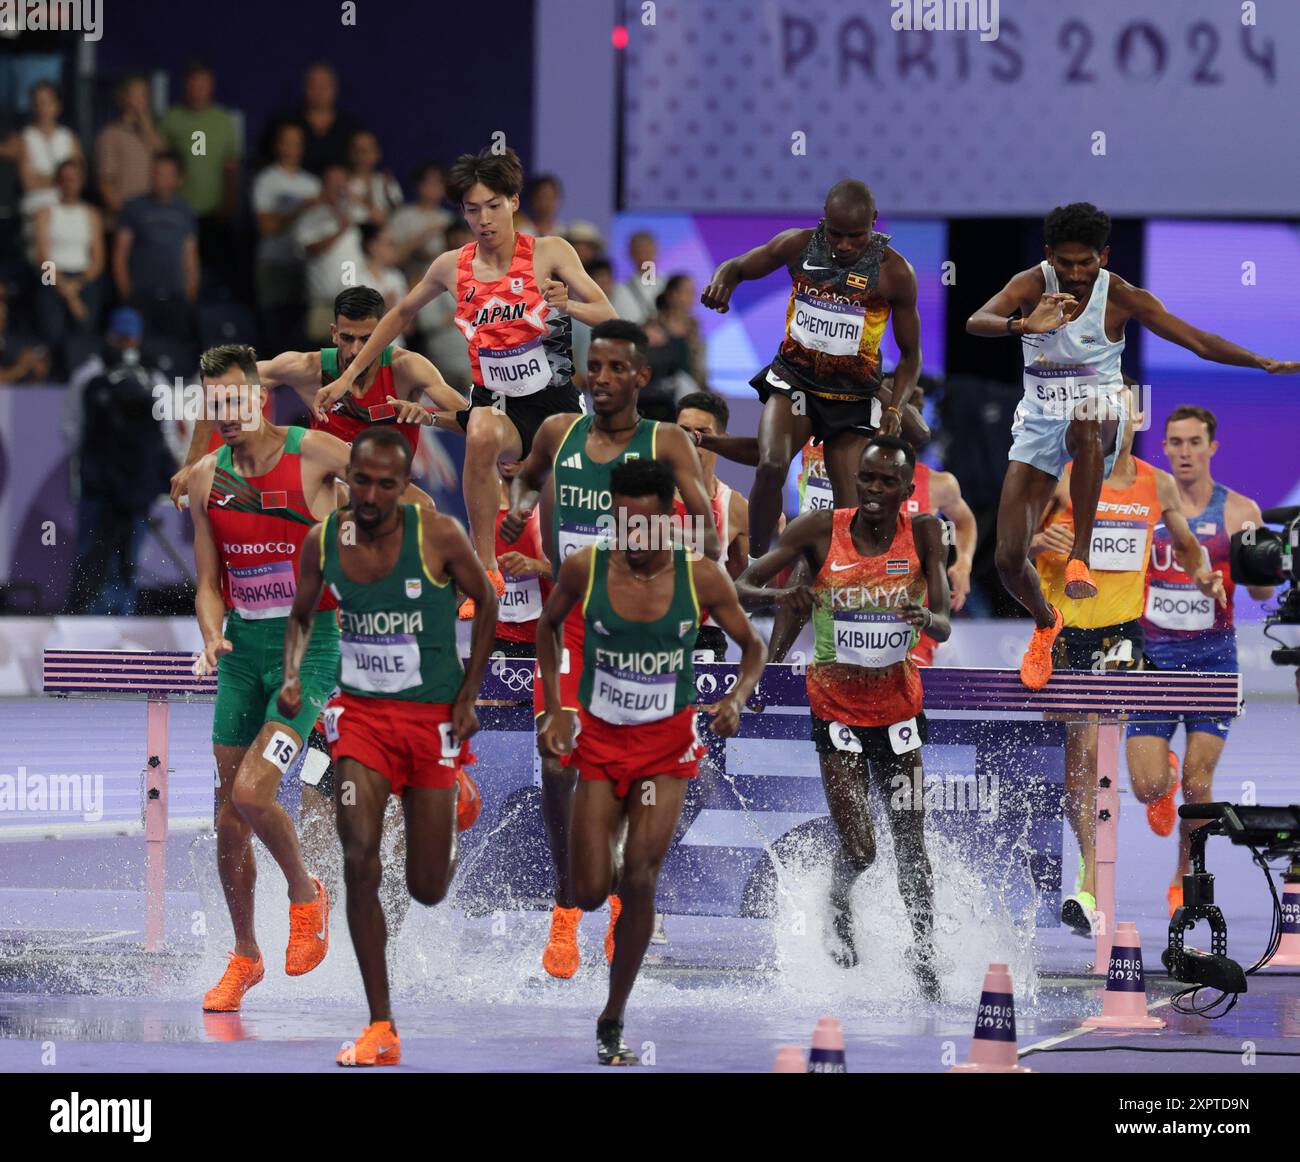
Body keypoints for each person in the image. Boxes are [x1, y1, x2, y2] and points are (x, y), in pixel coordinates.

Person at [965, 202, 1298, 690]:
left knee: (1087, 416)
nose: (1076, 274)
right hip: (1038, 420)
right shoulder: (1031, 284)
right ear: (1048, 255)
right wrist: (1023, 325)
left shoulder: (1120, 296)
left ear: (1104, 255)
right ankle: (1044, 622)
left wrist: (1262, 362)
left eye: (1086, 263)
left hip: (1100, 411)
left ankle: (1081, 554)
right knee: (1008, 560)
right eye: (1066, 263)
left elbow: (1198, 341)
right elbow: (976, 320)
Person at [500, 319, 720, 980]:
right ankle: (566, 910)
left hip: (640, 630)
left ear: (640, 377)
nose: (601, 378)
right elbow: (526, 477)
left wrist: (669, 583)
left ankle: (624, 897)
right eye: (593, 366)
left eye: (616, 367)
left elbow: (703, 520)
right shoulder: (556, 434)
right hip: (570, 626)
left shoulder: (668, 441)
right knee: (558, 762)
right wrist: (516, 511)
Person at [314, 146, 617, 608]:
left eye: (493, 206)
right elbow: (397, 316)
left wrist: (566, 304)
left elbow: (607, 314)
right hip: (498, 405)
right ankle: (486, 571)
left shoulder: (550, 252)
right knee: (479, 429)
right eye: (472, 210)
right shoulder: (451, 266)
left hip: (556, 405)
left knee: (567, 514)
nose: (484, 219)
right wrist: (348, 373)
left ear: (514, 201)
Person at [278, 427, 496, 1066]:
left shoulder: (440, 538)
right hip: (363, 722)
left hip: (430, 723)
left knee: (426, 886)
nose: (369, 495)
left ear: (406, 488)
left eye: (384, 484)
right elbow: (300, 613)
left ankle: (452, 798)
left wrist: (467, 695)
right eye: (360, 481)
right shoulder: (326, 540)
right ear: (348, 478)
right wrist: (293, 678)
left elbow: (485, 601)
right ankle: (381, 1025)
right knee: (359, 857)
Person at [537, 457, 765, 1064]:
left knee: (640, 876)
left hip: (667, 749)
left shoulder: (702, 579)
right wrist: (556, 706)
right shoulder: (586, 569)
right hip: (602, 745)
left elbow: (753, 647)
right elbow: (548, 627)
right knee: (589, 891)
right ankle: (607, 884)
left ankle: (613, 1015)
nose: (633, 537)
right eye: (622, 522)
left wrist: (737, 699)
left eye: (645, 524)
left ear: (671, 518)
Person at [736, 437, 952, 999]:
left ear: (908, 490)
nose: (875, 491)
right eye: (868, 480)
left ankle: (926, 957)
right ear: (855, 481)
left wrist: (925, 614)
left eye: (888, 483)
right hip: (836, 712)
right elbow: (740, 585)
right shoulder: (817, 529)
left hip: (900, 714)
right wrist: (785, 598)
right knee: (861, 849)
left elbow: (947, 621)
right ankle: (837, 902)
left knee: (911, 845)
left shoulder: (924, 532)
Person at [1031, 394, 1225, 935]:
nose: (1109, 421)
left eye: (1120, 411)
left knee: (1117, 767)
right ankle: (1090, 881)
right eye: (1099, 412)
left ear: (1136, 419)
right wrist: (1038, 539)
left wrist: (1204, 573)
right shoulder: (1062, 478)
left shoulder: (1156, 484)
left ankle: (1095, 877)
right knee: (1080, 766)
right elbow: (1014, 545)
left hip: (1121, 635)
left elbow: (1187, 546)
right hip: (1064, 631)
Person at [700, 179, 923, 566]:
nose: (844, 245)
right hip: (795, 382)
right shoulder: (798, 244)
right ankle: (757, 566)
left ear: (873, 221)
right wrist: (723, 280)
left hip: (854, 397)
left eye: (856, 235)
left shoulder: (895, 273)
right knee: (771, 464)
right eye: (835, 233)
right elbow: (738, 266)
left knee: (849, 508)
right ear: (823, 221)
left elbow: (911, 356)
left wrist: (895, 409)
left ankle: (840, 582)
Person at [1125, 406, 1274, 915]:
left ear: (1213, 447)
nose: (1184, 452)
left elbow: (1261, 588)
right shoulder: (1143, 505)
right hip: (1151, 661)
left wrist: (1261, 569)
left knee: (1199, 781)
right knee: (1147, 788)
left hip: (1213, 659)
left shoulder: (1240, 512)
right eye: (1175, 442)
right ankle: (1161, 777)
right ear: (1163, 447)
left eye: (1194, 443)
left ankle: (1183, 873)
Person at [170, 285, 468, 504]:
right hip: (328, 490)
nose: (354, 350)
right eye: (347, 338)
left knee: (426, 511)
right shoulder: (307, 368)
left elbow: (470, 422)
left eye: (367, 339)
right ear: (333, 332)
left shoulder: (408, 368)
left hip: (386, 492)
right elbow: (218, 387)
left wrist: (429, 417)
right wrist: (191, 465)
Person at [66, 308, 174, 615]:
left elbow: (165, 432)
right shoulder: (88, 377)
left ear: (138, 339)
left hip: (135, 490)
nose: (125, 344)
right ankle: (86, 625)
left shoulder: (154, 380)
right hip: (98, 489)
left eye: (130, 338)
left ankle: (121, 623)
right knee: (91, 558)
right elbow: (71, 429)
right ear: (109, 336)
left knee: (128, 560)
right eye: (120, 337)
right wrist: (95, 466)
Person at [113, 151, 199, 344]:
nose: (158, 178)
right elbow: (120, 256)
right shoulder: (133, 207)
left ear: (179, 179)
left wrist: (189, 296)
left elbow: (190, 257)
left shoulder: (185, 210)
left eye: (165, 174)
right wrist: (128, 296)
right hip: (141, 296)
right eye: (156, 173)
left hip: (175, 297)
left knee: (176, 354)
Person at [252, 122, 321, 349]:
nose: (291, 148)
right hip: (274, 266)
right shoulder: (267, 180)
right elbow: (267, 227)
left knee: (300, 335)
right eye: (286, 142)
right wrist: (299, 208)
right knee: (273, 333)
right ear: (278, 146)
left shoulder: (312, 184)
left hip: (304, 268)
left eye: (297, 143)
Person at [32, 157, 104, 370]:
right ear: (57, 182)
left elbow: (98, 260)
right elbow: (43, 257)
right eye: (64, 180)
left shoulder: (91, 214)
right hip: (53, 277)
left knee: (85, 327)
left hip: (83, 277)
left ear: (81, 182)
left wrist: (77, 286)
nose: (69, 184)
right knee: (53, 330)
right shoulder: (46, 213)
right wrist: (68, 293)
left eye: (73, 179)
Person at [295, 162, 366, 345]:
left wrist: (357, 200)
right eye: (334, 182)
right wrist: (340, 229)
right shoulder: (312, 215)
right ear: (323, 185)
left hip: (353, 306)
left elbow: (382, 222)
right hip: (324, 305)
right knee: (321, 361)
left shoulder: (353, 211)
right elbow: (310, 248)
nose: (339, 187)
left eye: (343, 182)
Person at [262, 62, 362, 177]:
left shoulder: (351, 125)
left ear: (335, 89)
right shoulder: (284, 122)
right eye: (313, 86)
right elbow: (265, 161)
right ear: (304, 88)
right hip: (293, 190)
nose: (318, 92)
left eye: (324, 86)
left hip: (340, 191)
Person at [94, 74, 162, 226]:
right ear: (122, 98)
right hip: (123, 222)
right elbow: (105, 183)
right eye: (135, 95)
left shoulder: (153, 135)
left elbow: (165, 163)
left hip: (152, 221)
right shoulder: (110, 135)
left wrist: (148, 128)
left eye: (144, 95)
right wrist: (126, 215)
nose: (140, 100)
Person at [17, 79, 83, 226]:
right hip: (35, 210)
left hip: (68, 210)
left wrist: (43, 178)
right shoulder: (25, 138)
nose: (42, 108)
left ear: (57, 106)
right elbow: (29, 183)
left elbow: (78, 178)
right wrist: (63, 179)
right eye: (38, 103)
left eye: (47, 102)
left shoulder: (69, 137)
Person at [346, 129, 403, 228]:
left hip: (382, 236)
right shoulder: (343, 183)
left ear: (377, 154)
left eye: (367, 150)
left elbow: (399, 213)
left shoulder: (386, 182)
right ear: (350, 153)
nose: (362, 156)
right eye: (357, 150)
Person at [610, 230, 662, 325]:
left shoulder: (668, 286)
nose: (644, 255)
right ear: (631, 253)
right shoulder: (618, 290)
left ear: (656, 251)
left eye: (648, 250)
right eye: (640, 250)